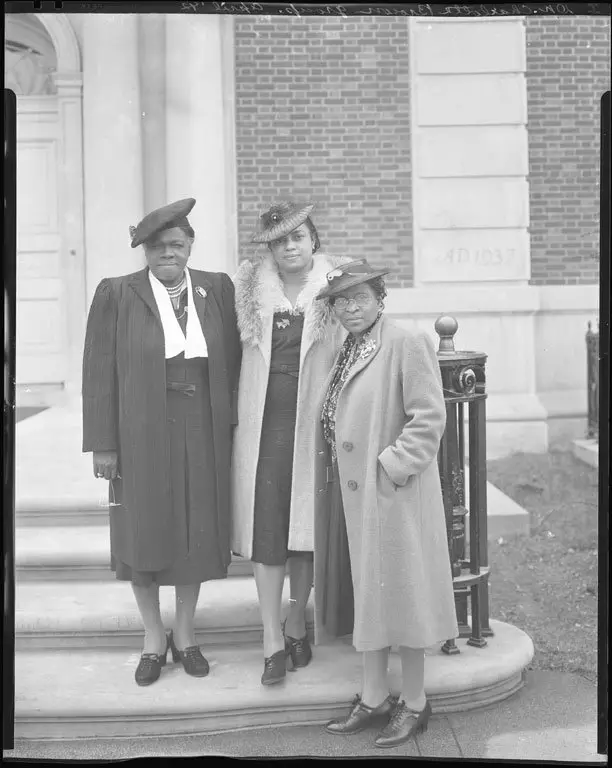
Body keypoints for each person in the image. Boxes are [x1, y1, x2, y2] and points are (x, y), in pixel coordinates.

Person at [82, 198, 241, 687]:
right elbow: (98, 375)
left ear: (191, 246)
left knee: (195, 528)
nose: (167, 253)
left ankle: (186, 635)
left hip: (203, 425)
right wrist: (104, 445)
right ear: (144, 251)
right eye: (157, 247)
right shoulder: (117, 293)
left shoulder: (216, 288)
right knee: (145, 529)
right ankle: (154, 639)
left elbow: (233, 361)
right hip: (140, 430)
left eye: (176, 244)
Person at [315, 259, 458, 748]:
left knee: (406, 596)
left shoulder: (405, 342)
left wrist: (391, 468)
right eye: (341, 301)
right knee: (371, 598)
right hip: (355, 497)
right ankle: (374, 697)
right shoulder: (348, 347)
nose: (350, 308)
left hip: (393, 495)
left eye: (360, 297)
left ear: (380, 299)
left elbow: (429, 417)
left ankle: (415, 703)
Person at [231, 201, 350, 686]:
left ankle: (297, 619)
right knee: (268, 526)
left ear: (313, 239)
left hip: (315, 419)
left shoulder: (338, 286)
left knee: (305, 528)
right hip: (265, 418)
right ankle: (271, 639)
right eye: (279, 242)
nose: (289, 247)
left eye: (297, 237)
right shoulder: (248, 289)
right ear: (270, 251)